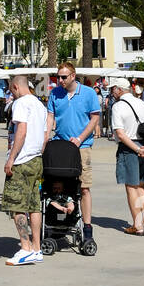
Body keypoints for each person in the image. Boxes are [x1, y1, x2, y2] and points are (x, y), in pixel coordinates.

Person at [46, 61, 101, 248]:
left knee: (83, 187)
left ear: (72, 76)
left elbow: (95, 118)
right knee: (57, 186)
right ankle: (57, 223)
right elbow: (50, 117)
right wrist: (46, 139)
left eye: (63, 77)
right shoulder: (55, 93)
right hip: (60, 145)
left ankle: (87, 228)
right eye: (57, 77)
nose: (59, 80)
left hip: (82, 146)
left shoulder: (88, 93)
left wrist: (79, 138)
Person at [2, 73, 48, 265]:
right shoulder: (40, 105)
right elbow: (46, 134)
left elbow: (21, 130)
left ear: (15, 87)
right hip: (36, 159)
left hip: (22, 160)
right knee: (33, 204)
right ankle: (37, 248)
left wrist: (11, 158)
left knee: (17, 205)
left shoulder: (20, 103)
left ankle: (25, 247)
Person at [109, 77, 144, 235]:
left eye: (112, 89)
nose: (111, 92)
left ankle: (137, 225)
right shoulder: (141, 103)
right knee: (141, 185)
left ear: (119, 89)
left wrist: (137, 150)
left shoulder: (118, 107)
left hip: (130, 148)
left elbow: (121, 135)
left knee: (131, 186)